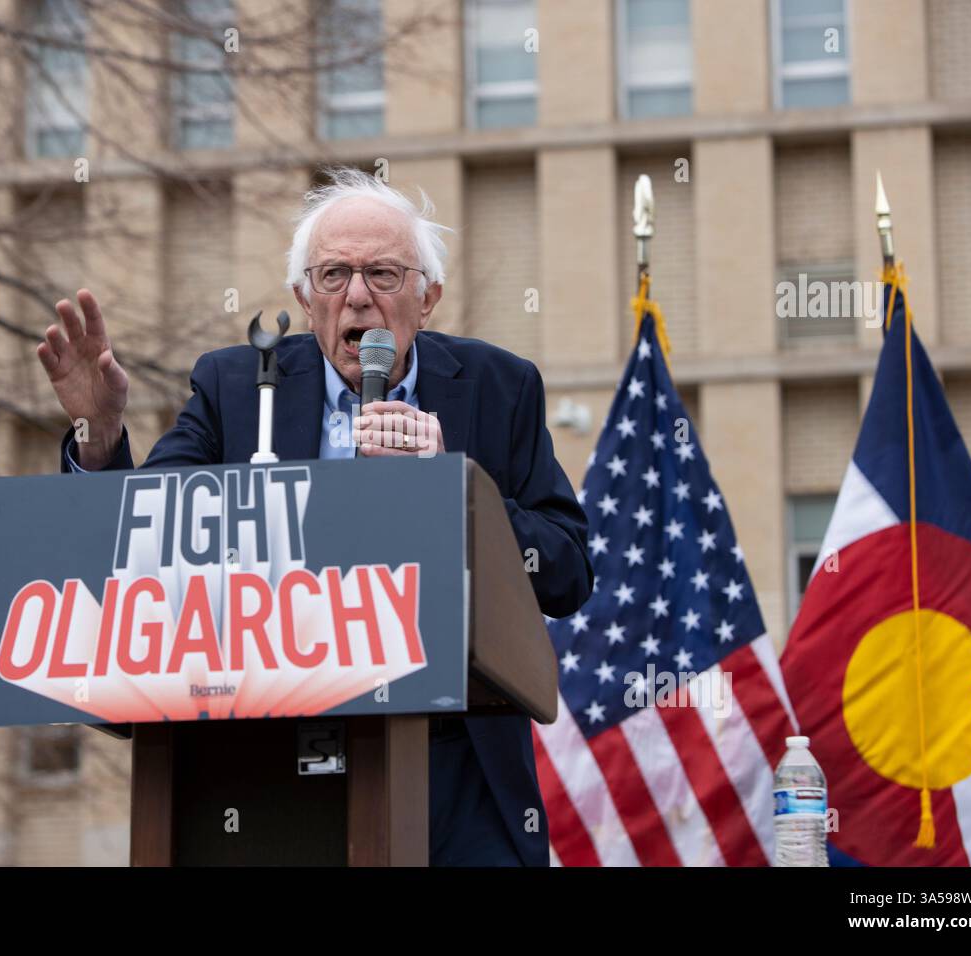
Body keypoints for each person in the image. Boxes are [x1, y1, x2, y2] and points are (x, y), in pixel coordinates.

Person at [37, 166, 592, 865]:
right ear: (304, 299)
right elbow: (145, 546)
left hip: (455, 774)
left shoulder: (498, 388)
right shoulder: (235, 387)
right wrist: (101, 434)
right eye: (333, 275)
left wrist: (457, 490)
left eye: (385, 275)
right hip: (268, 771)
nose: (357, 296)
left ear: (429, 297)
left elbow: (567, 569)